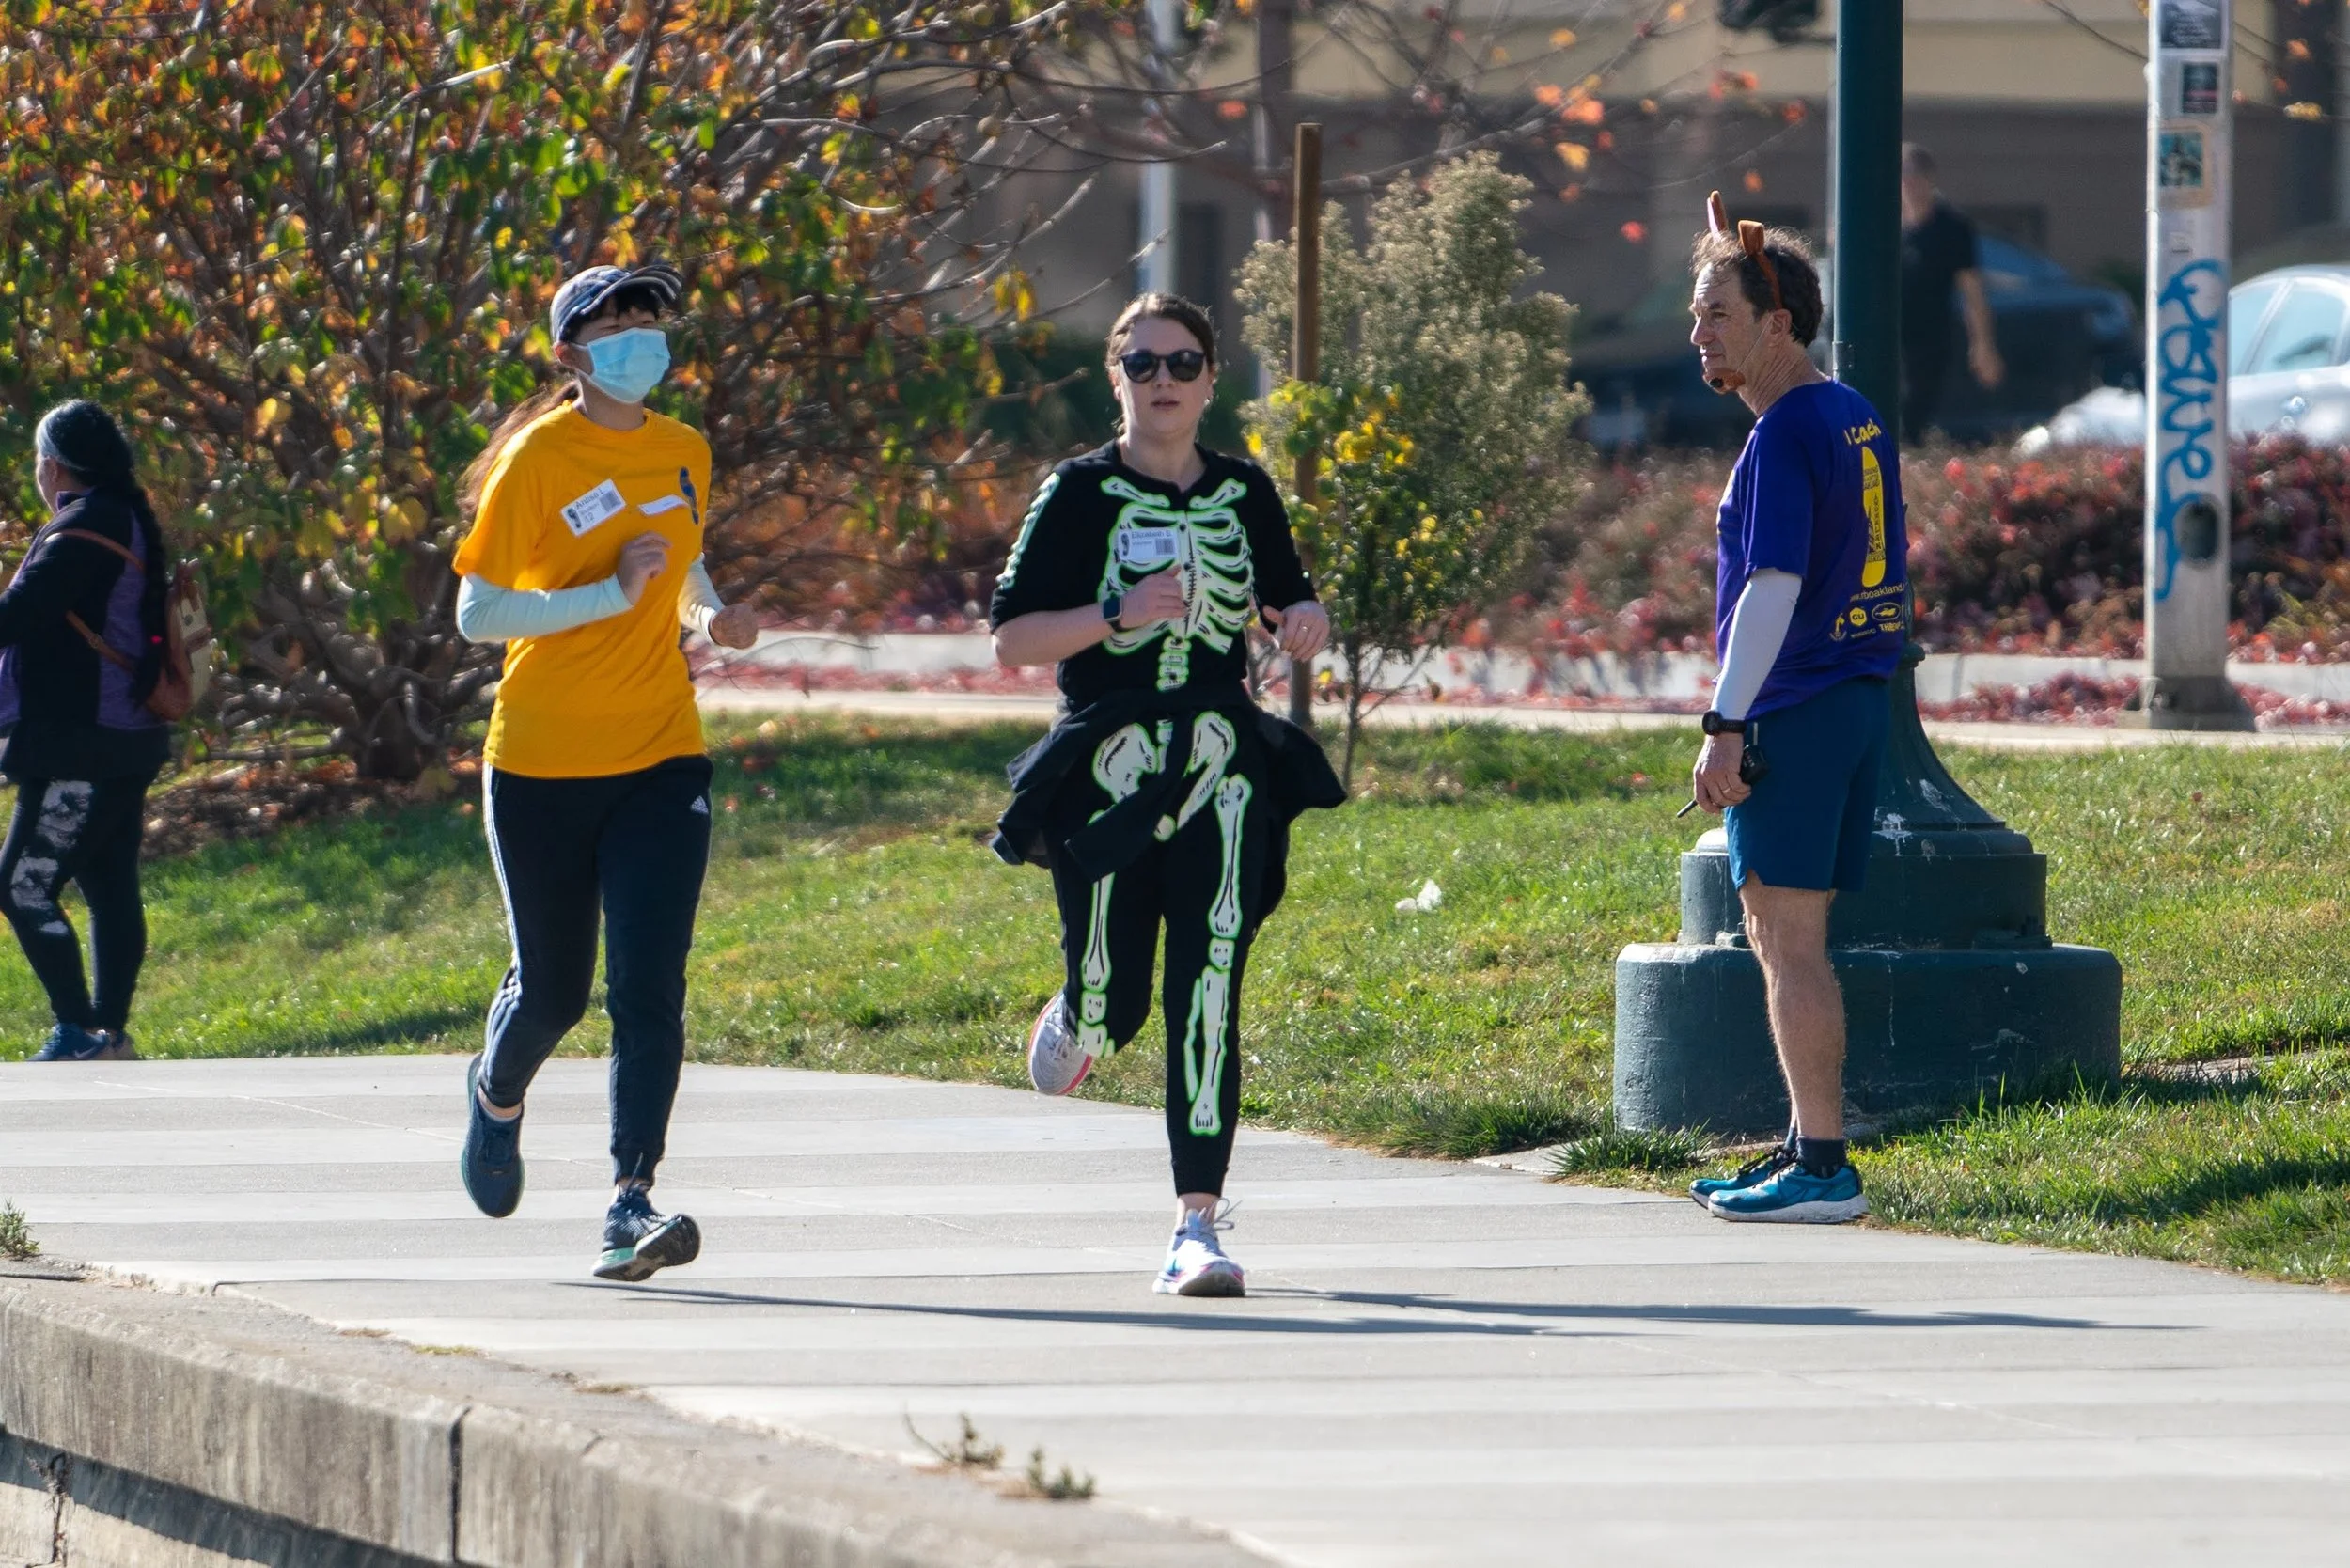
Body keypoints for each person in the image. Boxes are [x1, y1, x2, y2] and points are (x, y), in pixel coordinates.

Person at [990, 292, 1342, 1296]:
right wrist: (1116, 611)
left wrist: (1303, 616)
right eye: (1143, 366)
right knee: (1115, 1006)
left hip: (1222, 762)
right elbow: (1012, 637)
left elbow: (1285, 593)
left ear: (1210, 378)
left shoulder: (1243, 490)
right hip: (1108, 765)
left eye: (1182, 364)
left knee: (1209, 981)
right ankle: (1080, 1012)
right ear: (1117, 379)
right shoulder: (1076, 492)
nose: (1164, 383)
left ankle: (1196, 1225)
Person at [450, 260, 760, 1282]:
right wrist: (605, 599)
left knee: (648, 988)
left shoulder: (683, 450)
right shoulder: (538, 459)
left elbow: (679, 562)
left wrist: (708, 615)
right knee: (553, 994)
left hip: (661, 755)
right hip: (539, 761)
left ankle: (630, 1202)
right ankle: (495, 1099)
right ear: (571, 352)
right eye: (618, 322)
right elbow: (477, 614)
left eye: (652, 318)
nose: (643, 336)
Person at [1682, 198, 1906, 1223]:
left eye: (1717, 312)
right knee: (1790, 938)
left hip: (1797, 707)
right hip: (1856, 698)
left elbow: (1770, 587)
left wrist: (1723, 726)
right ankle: (1801, 1148)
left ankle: (1824, 1166)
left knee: (1787, 944)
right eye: (1696, 314)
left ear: (1778, 322)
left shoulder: (1780, 434)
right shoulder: (1850, 412)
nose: (1698, 333)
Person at [0, 402, 176, 1062]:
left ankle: (77, 1029)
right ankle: (109, 1033)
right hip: (124, 739)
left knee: (20, 884)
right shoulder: (120, 517)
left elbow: (17, 616)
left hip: (84, 742)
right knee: (107, 885)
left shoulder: (84, 526)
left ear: (52, 464)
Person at [1898, 143, 2004, 441]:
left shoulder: (1952, 229)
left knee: (1917, 413)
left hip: (1931, 335)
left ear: (1930, 179)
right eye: (1903, 175)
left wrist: (1983, 344)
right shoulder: (1888, 226)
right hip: (1891, 335)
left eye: (1915, 175)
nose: (1909, 183)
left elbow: (1972, 290)